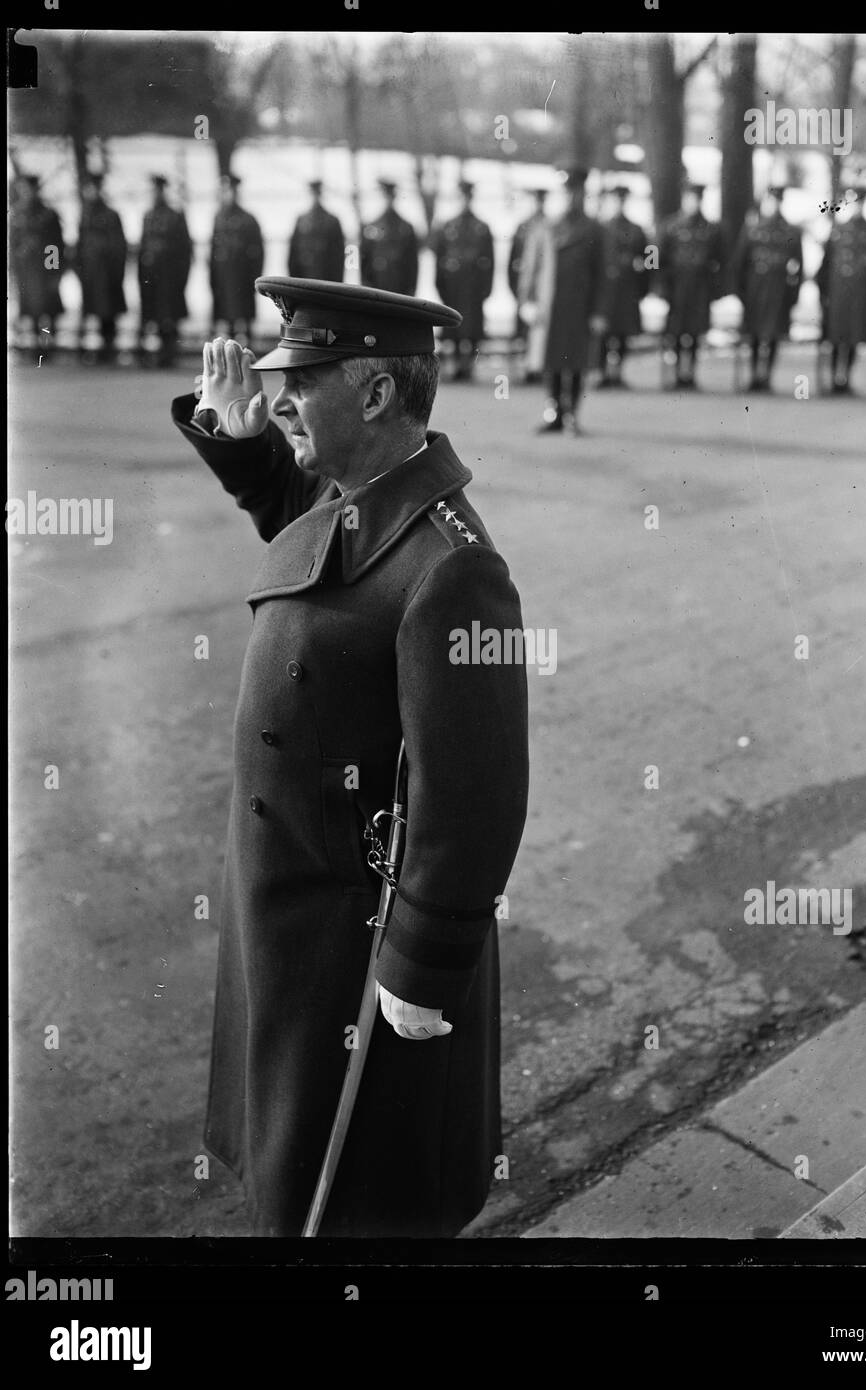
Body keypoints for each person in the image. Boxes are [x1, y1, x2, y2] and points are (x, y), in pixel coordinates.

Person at [170, 277, 529, 1237]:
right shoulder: (367, 495)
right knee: (293, 1167)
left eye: (304, 378)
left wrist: (420, 964)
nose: (282, 395)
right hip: (294, 909)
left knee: (349, 1199)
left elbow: (475, 797)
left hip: (353, 941)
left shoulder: (454, 567)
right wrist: (250, 446)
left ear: (374, 394)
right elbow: (318, 540)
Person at [518, 166, 607, 435]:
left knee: (576, 363)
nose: (572, 198)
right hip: (550, 307)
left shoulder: (594, 230)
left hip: (579, 307)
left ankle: (572, 415)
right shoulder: (545, 226)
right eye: (568, 192)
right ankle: (554, 411)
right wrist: (527, 301)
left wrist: (599, 311)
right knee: (551, 361)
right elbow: (531, 268)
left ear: (583, 195)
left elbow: (602, 273)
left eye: (577, 193)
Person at [815, 183, 866, 395]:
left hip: (860, 295)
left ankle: (845, 378)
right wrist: (822, 294)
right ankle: (834, 379)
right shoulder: (838, 230)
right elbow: (825, 264)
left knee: (854, 337)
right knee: (836, 337)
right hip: (838, 294)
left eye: (861, 203)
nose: (857, 207)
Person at [729, 184, 804, 392]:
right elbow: (739, 263)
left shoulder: (791, 231)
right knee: (753, 333)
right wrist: (739, 291)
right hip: (755, 289)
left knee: (773, 333)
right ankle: (754, 374)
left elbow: (799, 266)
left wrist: (794, 294)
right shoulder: (753, 229)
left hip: (778, 289)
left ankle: (766, 376)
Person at [655, 180, 725, 390]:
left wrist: (715, 289)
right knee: (676, 332)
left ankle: (690, 374)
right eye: (690, 199)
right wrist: (659, 285)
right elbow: (656, 256)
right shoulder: (669, 226)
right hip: (676, 287)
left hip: (699, 288)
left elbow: (721, 260)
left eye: (697, 199)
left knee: (694, 333)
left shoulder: (711, 229)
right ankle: (676, 373)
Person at [430, 180, 495, 382]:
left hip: (473, 288)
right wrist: (440, 286)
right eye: (462, 197)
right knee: (454, 330)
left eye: (468, 197)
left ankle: (468, 366)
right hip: (453, 288)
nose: (465, 201)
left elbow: (490, 261)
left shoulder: (481, 227)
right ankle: (456, 364)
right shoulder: (448, 227)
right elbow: (439, 260)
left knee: (472, 329)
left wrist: (486, 289)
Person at [597, 184, 650, 388]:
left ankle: (617, 373)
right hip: (607, 289)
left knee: (623, 334)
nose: (619, 203)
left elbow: (651, 254)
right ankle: (602, 372)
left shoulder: (636, 229)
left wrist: (644, 275)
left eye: (622, 199)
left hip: (627, 288)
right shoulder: (601, 228)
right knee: (604, 334)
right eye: (616, 199)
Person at [138, 174, 192, 368]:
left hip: (169, 277)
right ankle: (153, 354)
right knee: (153, 315)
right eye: (152, 191)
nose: (155, 194)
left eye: (158, 190)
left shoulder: (175, 216)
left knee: (169, 316)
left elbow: (185, 250)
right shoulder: (148, 216)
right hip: (151, 277)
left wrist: (182, 278)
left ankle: (168, 354)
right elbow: (143, 247)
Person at [74, 172, 127, 363]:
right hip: (90, 272)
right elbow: (79, 244)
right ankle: (91, 350)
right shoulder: (84, 215)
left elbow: (119, 245)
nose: (91, 193)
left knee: (108, 312)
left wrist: (117, 271)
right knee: (92, 310)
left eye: (94, 188)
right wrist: (77, 268)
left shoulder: (111, 215)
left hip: (107, 273)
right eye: (88, 189)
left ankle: (108, 348)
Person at [10, 173, 64, 357]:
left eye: (31, 190)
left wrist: (54, 271)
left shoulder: (48, 215)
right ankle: (35, 344)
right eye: (25, 190)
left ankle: (47, 343)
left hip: (45, 269)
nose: (28, 194)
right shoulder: (18, 215)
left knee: (48, 308)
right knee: (31, 309)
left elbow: (55, 245)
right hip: (27, 270)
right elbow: (14, 244)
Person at [210, 174, 265, 342]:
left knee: (245, 315)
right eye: (227, 190)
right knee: (227, 316)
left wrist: (255, 275)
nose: (230, 194)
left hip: (243, 277)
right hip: (224, 277)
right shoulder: (219, 218)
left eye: (233, 190)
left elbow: (258, 251)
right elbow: (213, 250)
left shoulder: (248, 219)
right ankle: (230, 349)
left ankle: (248, 349)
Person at [507, 187, 549, 383]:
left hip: (544, 288)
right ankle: (525, 368)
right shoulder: (523, 227)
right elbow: (513, 260)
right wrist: (516, 288)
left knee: (541, 330)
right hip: (525, 286)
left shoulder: (550, 226)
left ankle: (538, 368)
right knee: (524, 331)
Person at [360, 180, 420, 296]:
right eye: (386, 195)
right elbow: (365, 262)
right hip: (377, 286)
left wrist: (411, 290)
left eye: (390, 196)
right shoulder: (371, 227)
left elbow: (412, 264)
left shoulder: (406, 228)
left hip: (400, 287)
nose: (388, 200)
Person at [288, 180, 345, 282]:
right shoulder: (301, 220)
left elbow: (338, 257)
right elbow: (293, 255)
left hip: (326, 277)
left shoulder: (332, 221)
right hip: (305, 277)